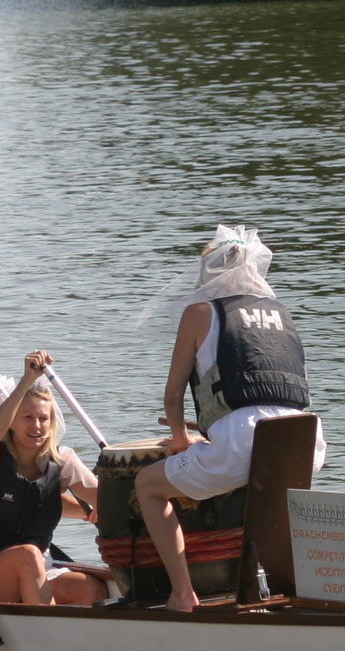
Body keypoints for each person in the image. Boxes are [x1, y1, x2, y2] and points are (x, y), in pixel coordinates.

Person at [133, 228, 327, 612]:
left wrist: (180, 441)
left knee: (147, 486)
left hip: (242, 439)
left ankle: (182, 594)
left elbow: (173, 396)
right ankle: (286, 590)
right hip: (305, 439)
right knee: (267, 496)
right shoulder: (280, 311)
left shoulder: (199, 312)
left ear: (210, 270)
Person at [0, 350, 103, 606]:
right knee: (28, 556)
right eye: (27, 418)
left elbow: (108, 501)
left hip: (39, 564)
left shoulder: (63, 461)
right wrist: (27, 380)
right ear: (11, 422)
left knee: (89, 589)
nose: (37, 426)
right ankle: (44, 634)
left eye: (43, 419)